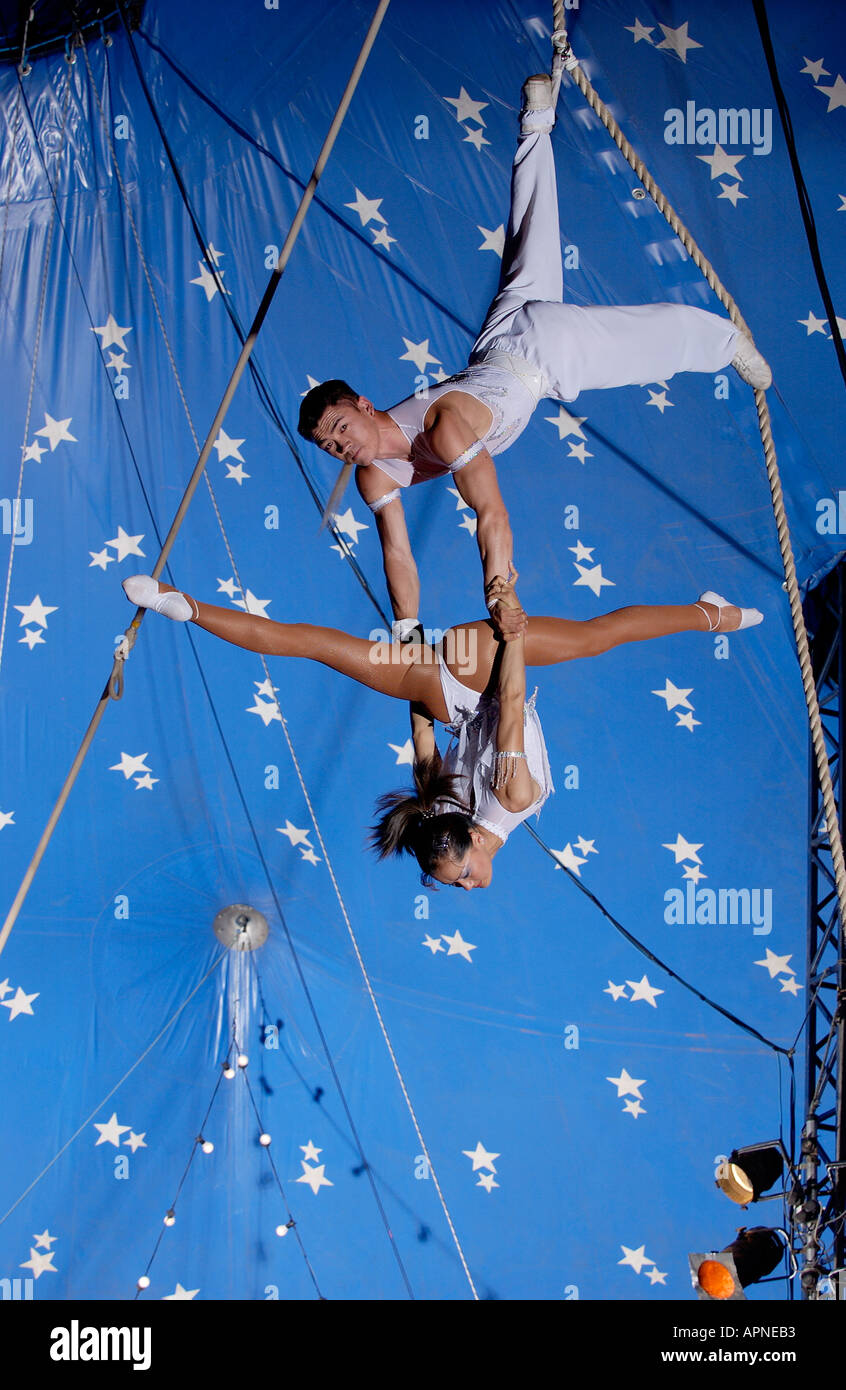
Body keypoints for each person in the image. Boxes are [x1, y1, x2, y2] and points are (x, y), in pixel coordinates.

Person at [297, 74, 771, 647]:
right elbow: (396, 551)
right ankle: (536, 124)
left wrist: (499, 589)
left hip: (538, 355)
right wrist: (407, 631)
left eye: (341, 429)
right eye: (330, 446)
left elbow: (490, 511)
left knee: (644, 346)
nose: (341, 448)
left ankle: (727, 342)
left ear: (364, 406)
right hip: (497, 342)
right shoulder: (373, 474)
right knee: (531, 230)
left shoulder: (441, 430)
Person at [122, 573, 763, 891]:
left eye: (459, 877)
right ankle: (185, 606)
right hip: (437, 680)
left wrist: (510, 636)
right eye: (458, 881)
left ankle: (711, 615)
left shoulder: (515, 801)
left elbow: (511, 701)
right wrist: (411, 652)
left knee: (598, 637)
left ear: (470, 851)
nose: (468, 887)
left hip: (481, 665)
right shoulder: (440, 801)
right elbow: (422, 728)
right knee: (315, 646)